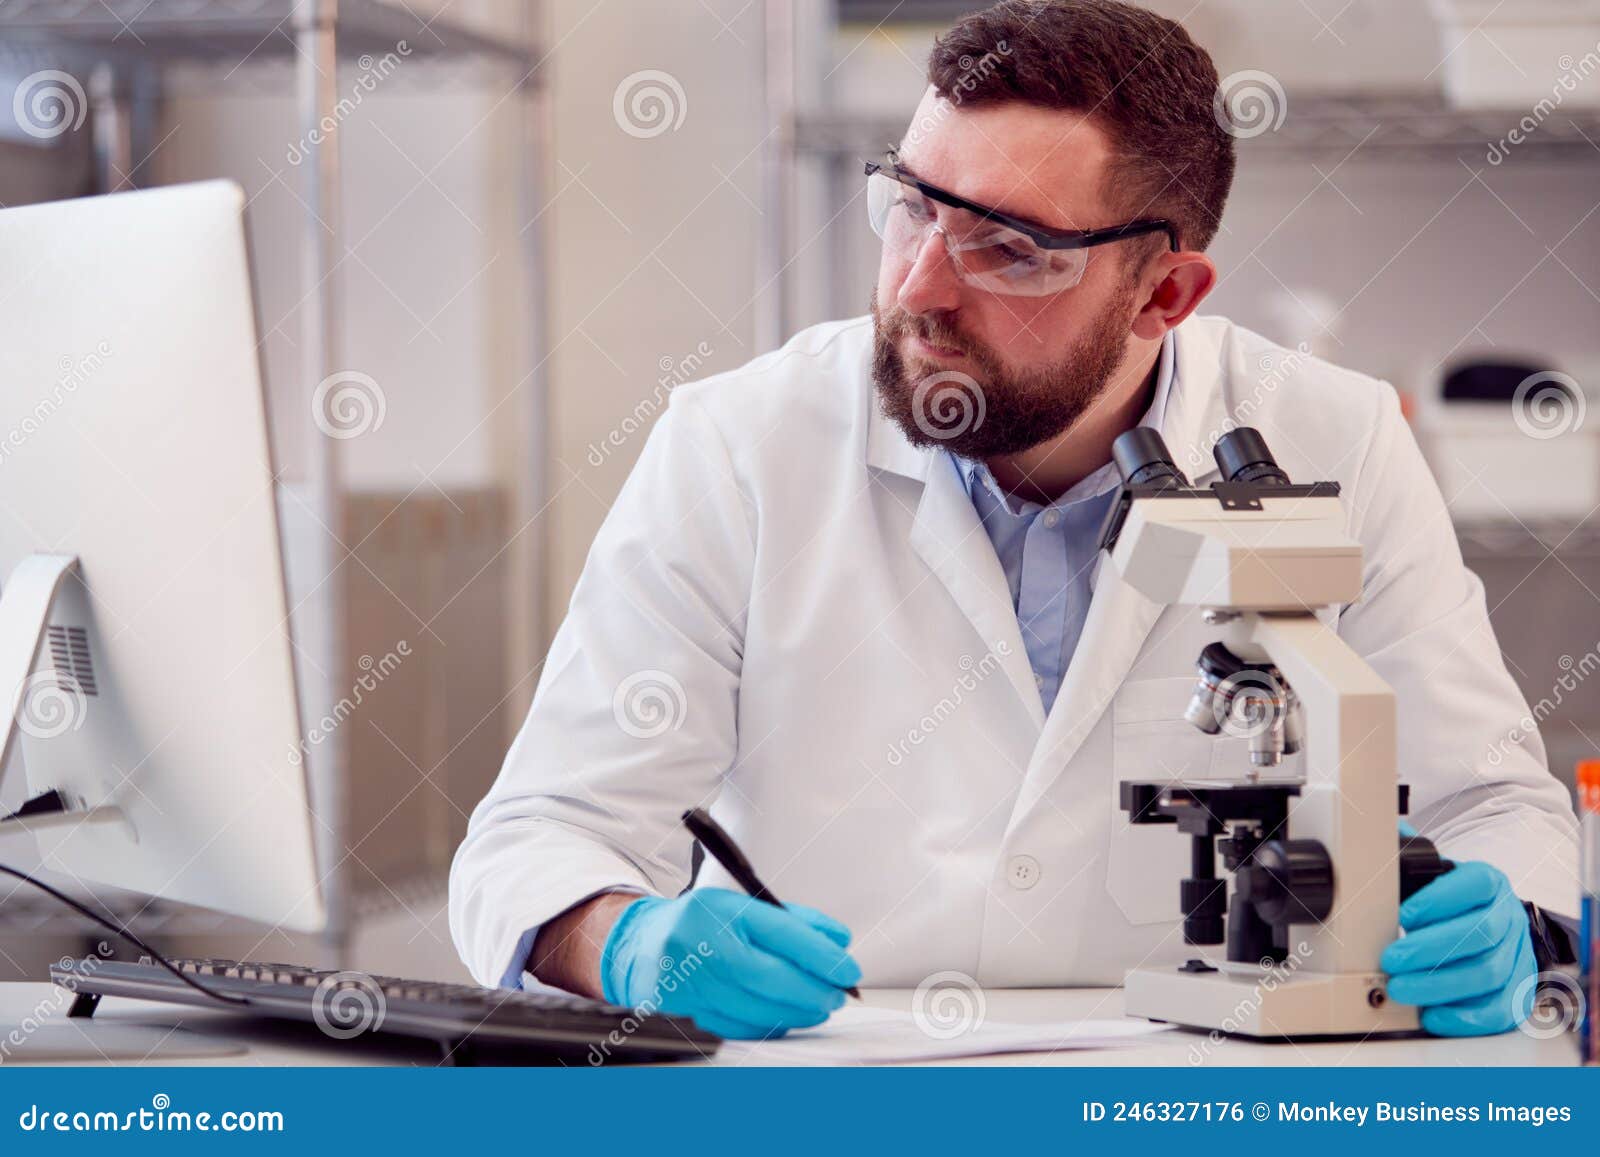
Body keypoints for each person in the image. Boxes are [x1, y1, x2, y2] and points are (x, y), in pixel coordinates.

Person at [449, 0, 1578, 1040]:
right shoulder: (739, 444)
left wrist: (1513, 924)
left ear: (1163, 295)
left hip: (1197, 1081)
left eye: (1008, 249)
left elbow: (1487, 796)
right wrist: (625, 941)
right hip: (841, 1079)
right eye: (912, 207)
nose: (921, 287)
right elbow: (536, 837)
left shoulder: (1335, 438)